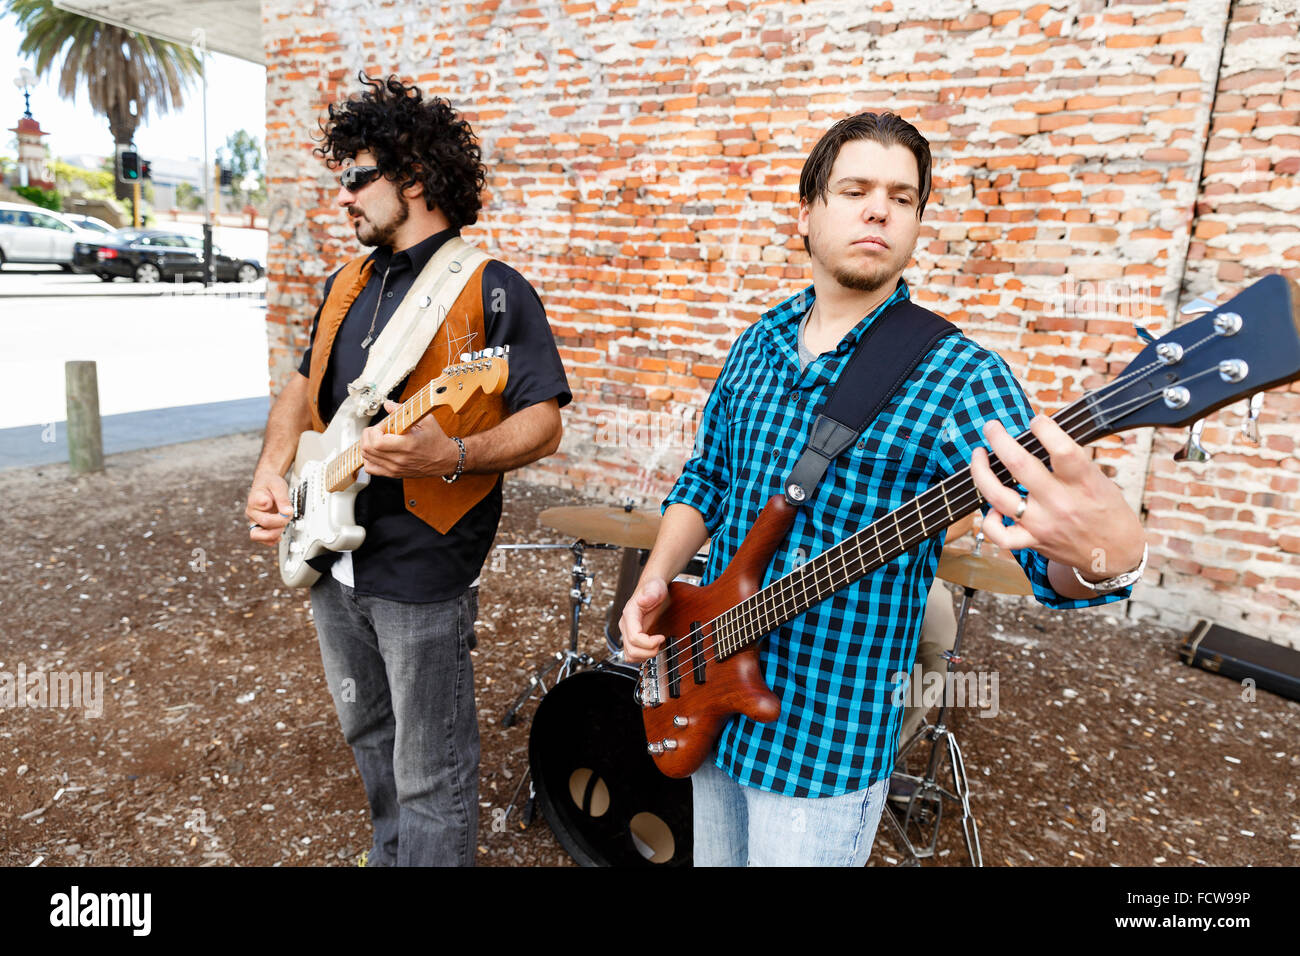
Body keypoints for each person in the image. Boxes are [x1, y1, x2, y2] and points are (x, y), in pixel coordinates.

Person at [619, 111, 1147, 867]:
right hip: (707, 689)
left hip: (823, 745)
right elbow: (709, 476)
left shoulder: (960, 376)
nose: (879, 209)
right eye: (856, 188)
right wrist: (657, 579)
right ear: (808, 212)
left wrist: (1113, 553)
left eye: (902, 197)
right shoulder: (759, 341)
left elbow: (1050, 564)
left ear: (917, 224)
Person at [244, 74, 571, 866]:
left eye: (358, 179)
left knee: (432, 769)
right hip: (330, 555)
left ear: (415, 179)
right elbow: (301, 387)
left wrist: (449, 454)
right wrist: (271, 469)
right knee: (368, 735)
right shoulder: (344, 283)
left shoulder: (490, 289)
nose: (345, 198)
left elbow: (543, 420)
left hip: (424, 563)